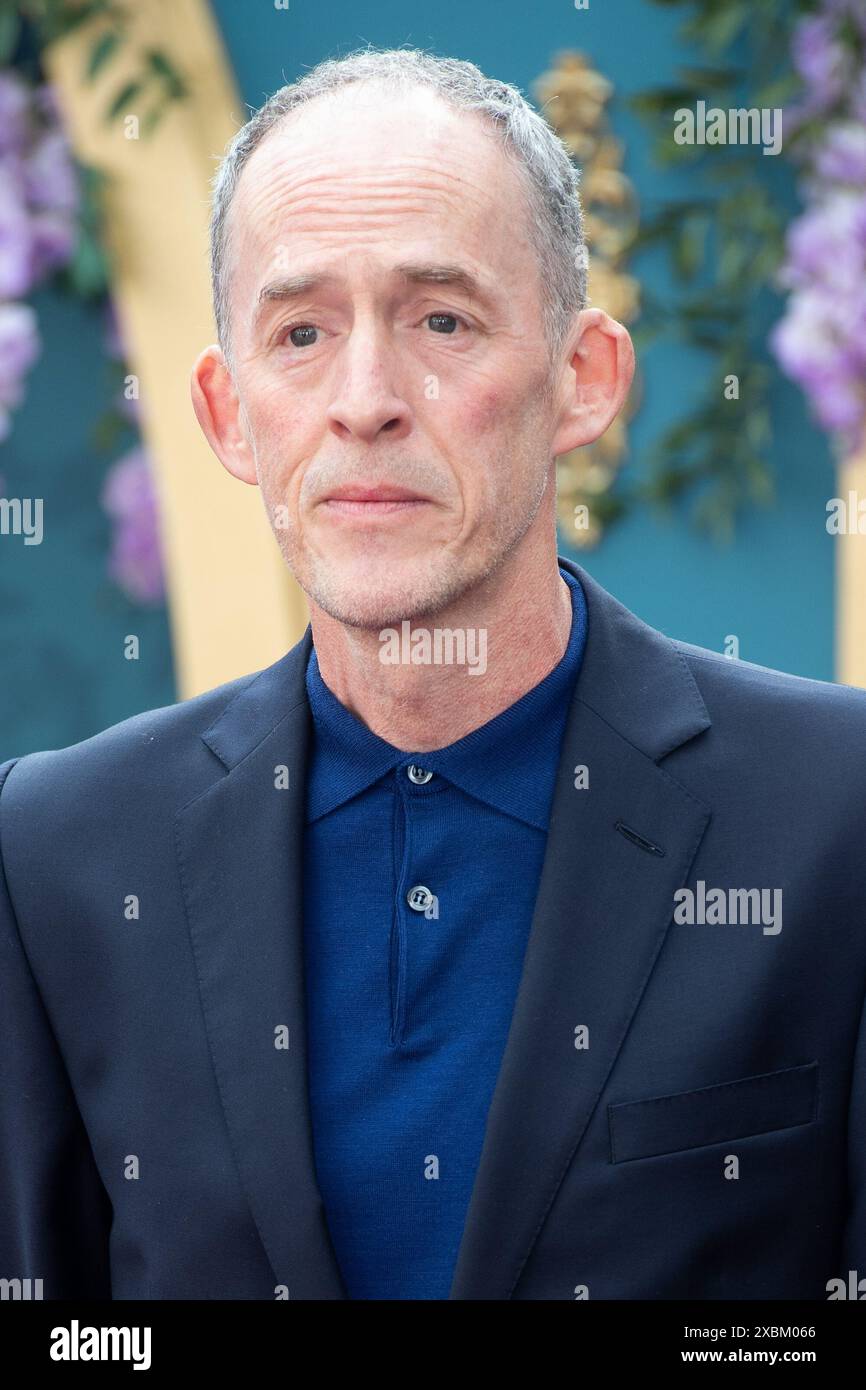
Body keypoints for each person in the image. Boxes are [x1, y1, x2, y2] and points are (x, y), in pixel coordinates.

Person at [1, 47, 864, 1301]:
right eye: (300, 332)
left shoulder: (836, 812)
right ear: (228, 412)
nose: (364, 401)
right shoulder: (58, 851)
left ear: (581, 378)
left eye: (440, 321)